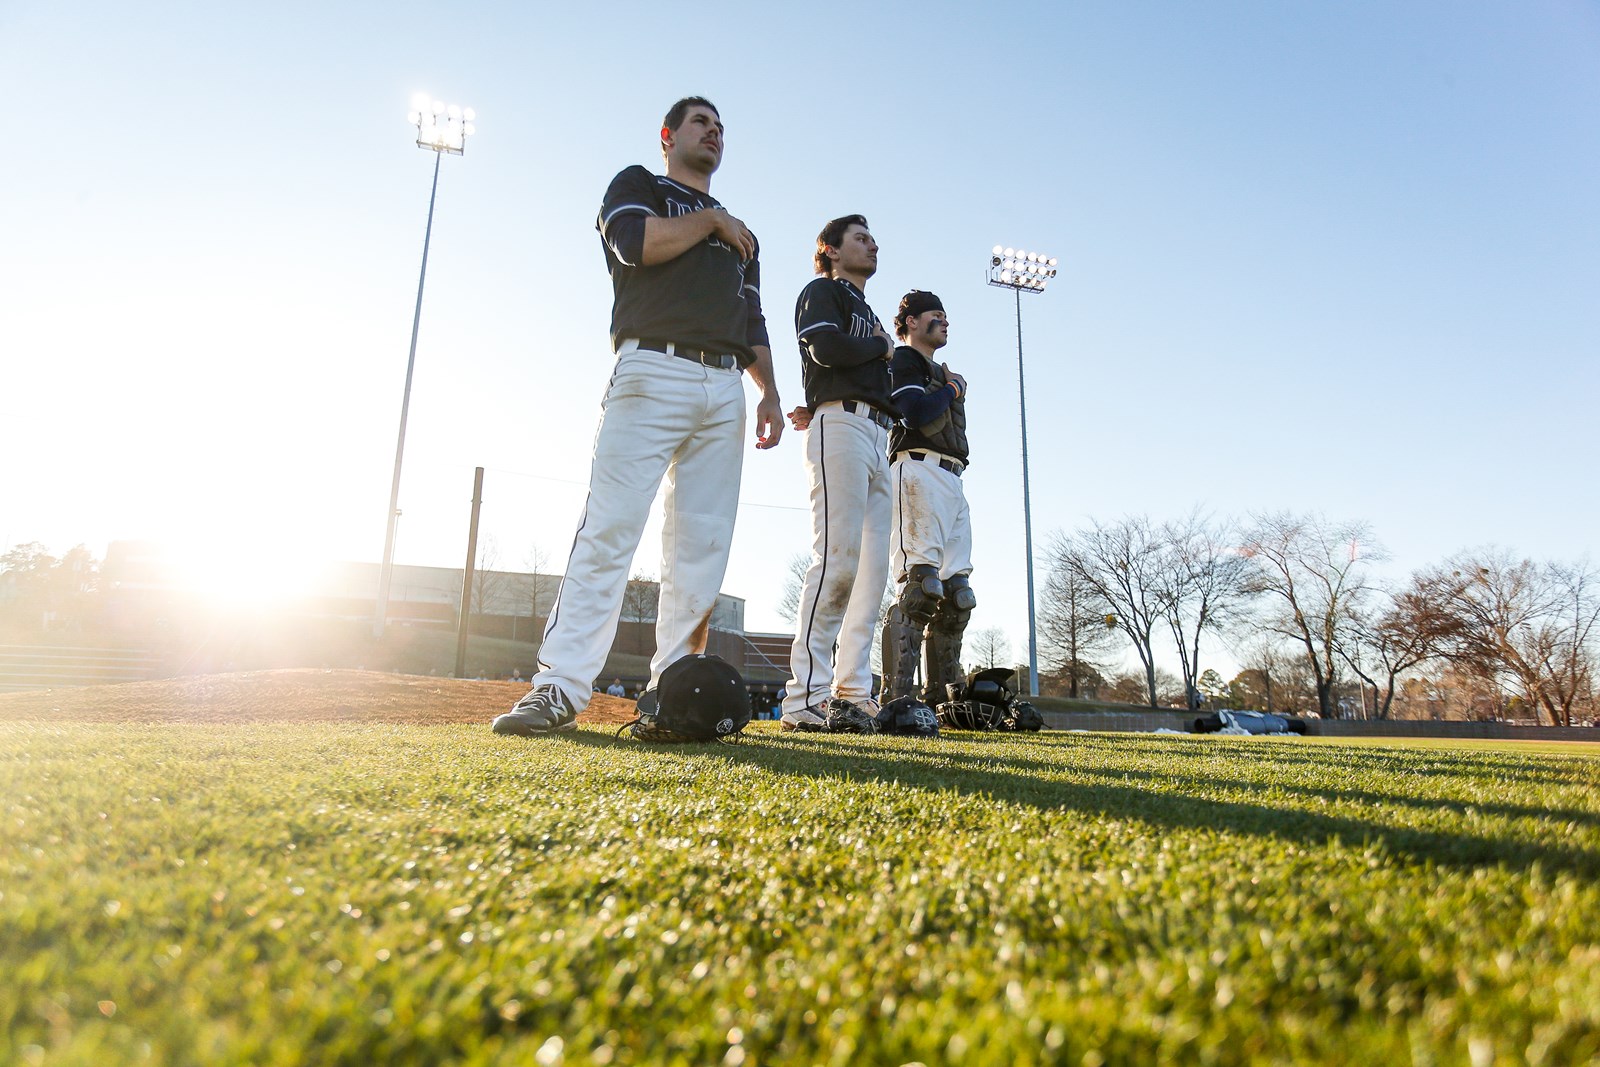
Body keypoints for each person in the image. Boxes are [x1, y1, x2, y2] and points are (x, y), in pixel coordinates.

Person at [494, 97, 783, 737]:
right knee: (609, 531)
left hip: (725, 384)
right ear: (667, 135)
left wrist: (769, 390)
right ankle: (559, 687)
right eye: (700, 122)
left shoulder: (744, 235)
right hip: (653, 365)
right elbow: (634, 244)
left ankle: (674, 698)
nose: (714, 132)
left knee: (702, 551)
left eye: (721, 127)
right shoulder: (640, 184)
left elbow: (752, 318)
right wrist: (711, 219)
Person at [779, 215, 897, 732]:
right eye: (860, 238)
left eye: (873, 239)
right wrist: (880, 346)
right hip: (842, 424)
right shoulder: (822, 291)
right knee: (837, 561)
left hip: (877, 432)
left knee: (871, 576)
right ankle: (804, 697)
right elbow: (825, 349)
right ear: (830, 248)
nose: (872, 245)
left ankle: (853, 692)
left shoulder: (868, 310)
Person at [880, 290, 976, 705]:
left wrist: (949, 385)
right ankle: (897, 699)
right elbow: (913, 413)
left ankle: (941, 699)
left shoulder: (938, 370)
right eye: (936, 315)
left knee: (957, 595)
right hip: (917, 469)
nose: (945, 321)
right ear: (912, 322)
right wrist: (952, 389)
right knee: (920, 586)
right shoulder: (905, 359)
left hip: (953, 476)